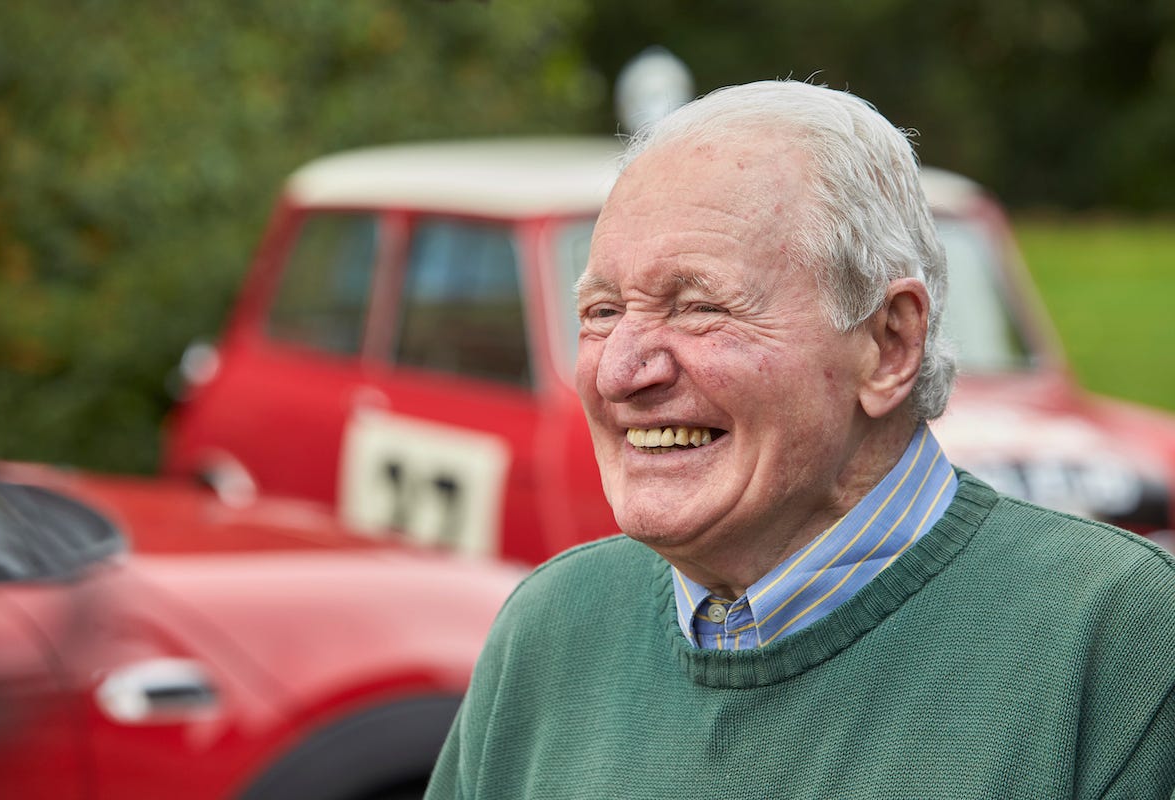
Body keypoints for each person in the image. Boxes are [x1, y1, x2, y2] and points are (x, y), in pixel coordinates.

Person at [425, 81, 1175, 799]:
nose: (621, 371)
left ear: (888, 345)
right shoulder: (549, 628)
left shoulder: (1124, 641)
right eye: (601, 311)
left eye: (697, 306)